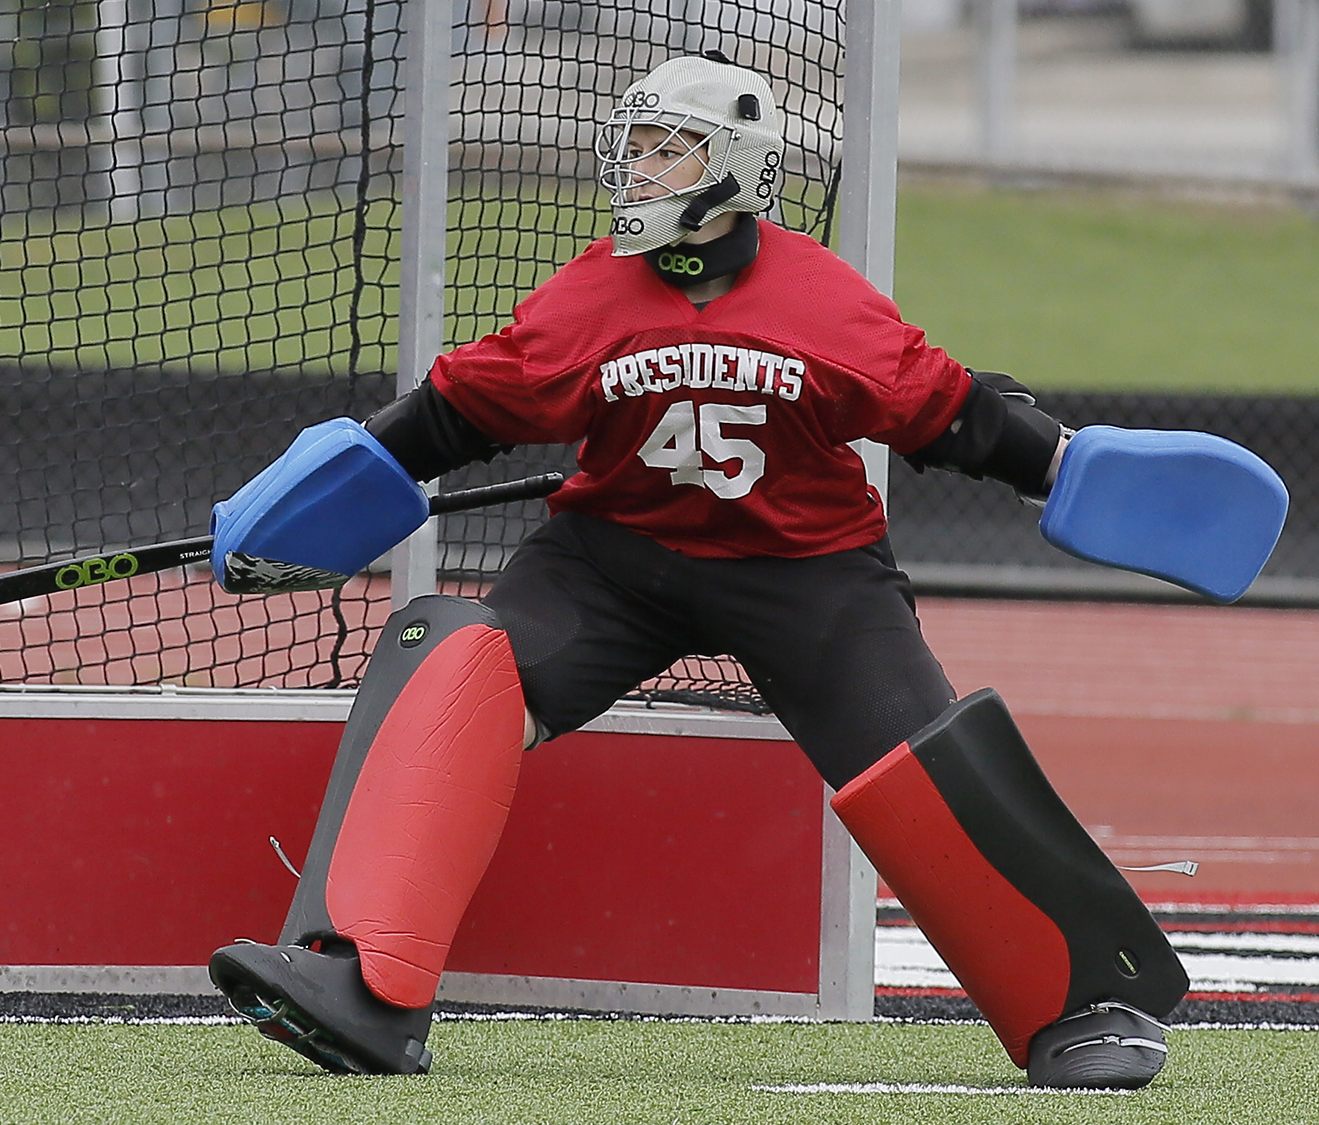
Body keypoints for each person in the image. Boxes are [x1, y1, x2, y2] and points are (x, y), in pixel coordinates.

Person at [208, 52, 1187, 1090]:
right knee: (450, 660)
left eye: (663, 150)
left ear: (729, 167)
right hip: (611, 563)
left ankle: (1082, 1005)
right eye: (631, 150)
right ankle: (358, 983)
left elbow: (953, 415)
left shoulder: (824, 303)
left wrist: (1063, 467)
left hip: (810, 575)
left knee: (924, 767)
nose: (634, 172)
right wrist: (313, 508)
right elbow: (454, 415)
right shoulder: (589, 295)